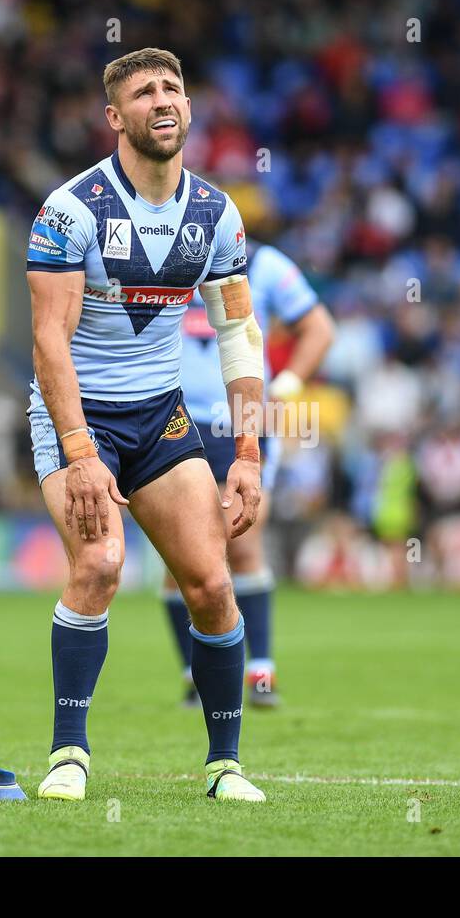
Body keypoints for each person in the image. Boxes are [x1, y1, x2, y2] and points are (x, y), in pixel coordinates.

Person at [25, 48, 266, 802]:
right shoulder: (71, 210)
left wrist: (250, 451)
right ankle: (69, 754)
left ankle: (225, 767)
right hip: (76, 417)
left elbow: (237, 336)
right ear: (115, 117)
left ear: (188, 108)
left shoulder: (217, 215)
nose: (163, 100)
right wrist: (80, 451)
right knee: (98, 565)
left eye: (173, 88)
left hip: (161, 418)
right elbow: (48, 343)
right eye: (144, 92)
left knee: (210, 584)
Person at [162, 238, 333, 708]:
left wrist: (286, 385)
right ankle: (195, 675)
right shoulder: (159, 256)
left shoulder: (265, 263)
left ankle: (261, 673)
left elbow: (320, 328)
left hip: (240, 418)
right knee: (178, 554)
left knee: (243, 540)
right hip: (171, 419)